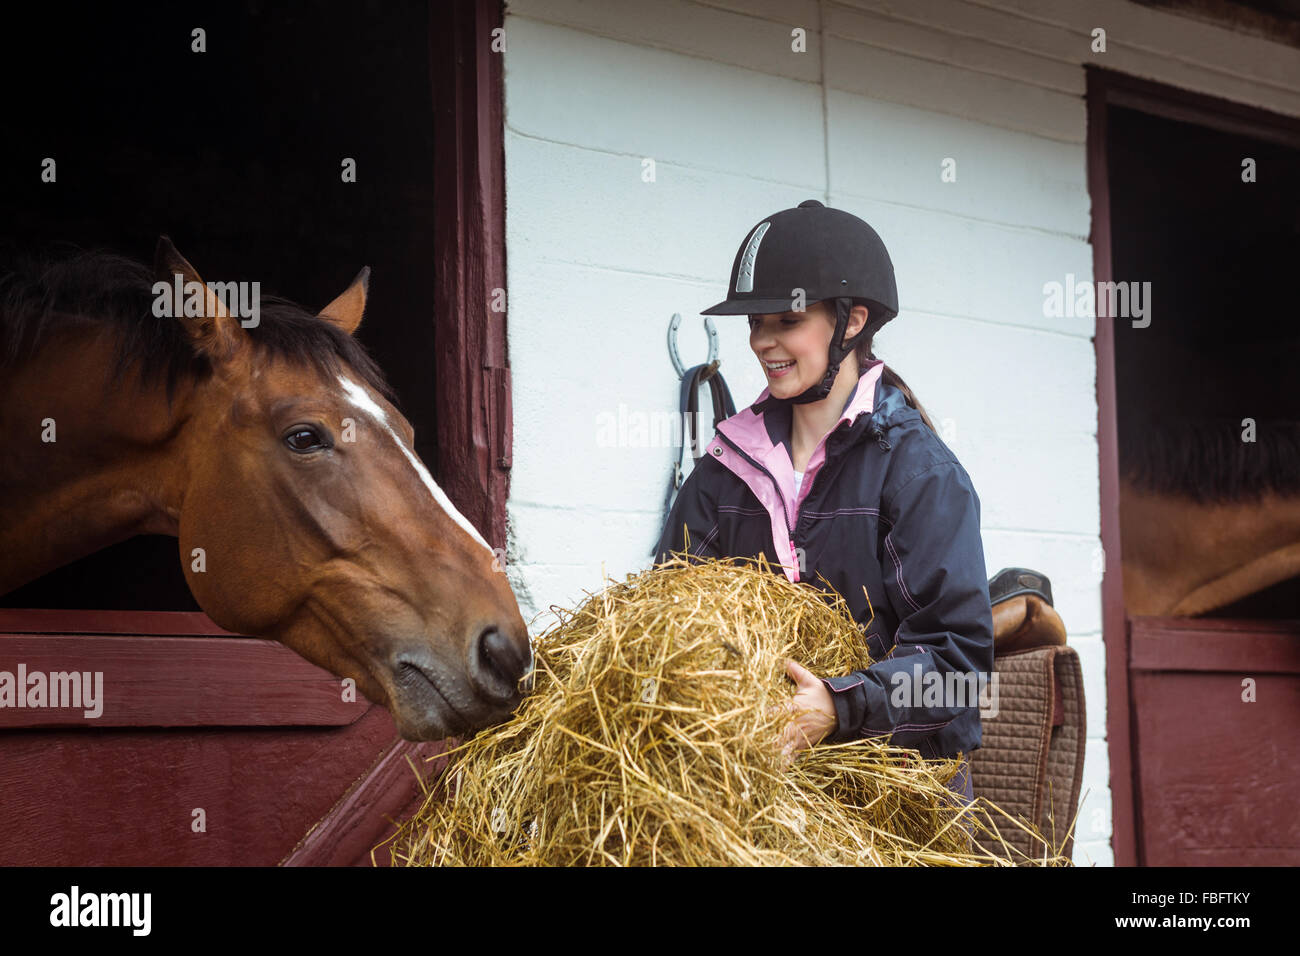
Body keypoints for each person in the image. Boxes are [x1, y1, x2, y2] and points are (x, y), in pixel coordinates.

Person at [654, 200, 994, 811]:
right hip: (754, 790)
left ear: (853, 321)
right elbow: (668, 613)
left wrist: (839, 706)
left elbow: (959, 666)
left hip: (896, 801)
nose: (763, 342)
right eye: (755, 323)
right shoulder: (721, 468)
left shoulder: (921, 473)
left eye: (785, 319)